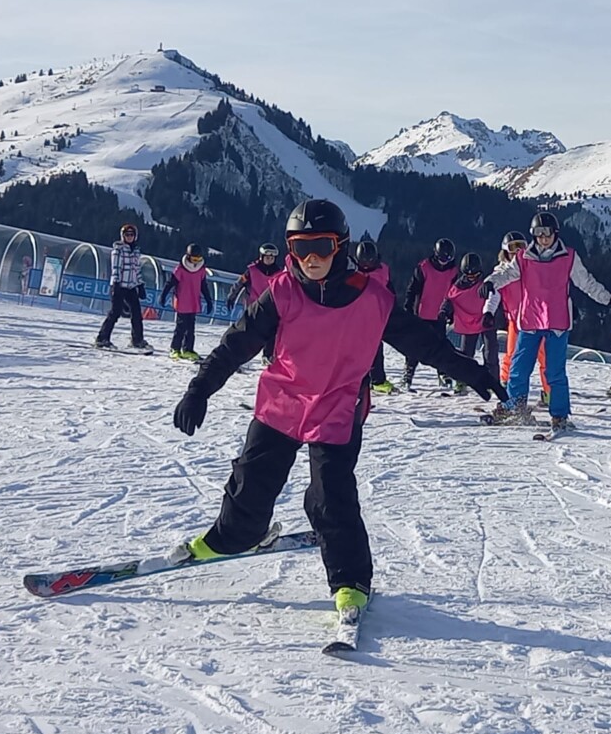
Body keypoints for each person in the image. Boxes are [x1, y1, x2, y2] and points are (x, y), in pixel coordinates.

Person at [166, 199, 506, 616]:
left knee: (331, 496)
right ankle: (234, 538)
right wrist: (200, 390)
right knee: (253, 478)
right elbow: (238, 342)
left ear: (340, 246)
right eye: (300, 247)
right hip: (283, 401)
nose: (311, 258)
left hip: (338, 407)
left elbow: (424, 342)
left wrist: (472, 372)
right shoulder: (282, 292)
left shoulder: (373, 299)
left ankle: (351, 582)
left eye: (322, 246)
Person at [483, 211, 611, 432]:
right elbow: (505, 274)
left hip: (557, 323)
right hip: (529, 322)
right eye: (538, 234)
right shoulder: (523, 258)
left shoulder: (568, 257)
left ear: (555, 233)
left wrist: (608, 300)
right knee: (518, 368)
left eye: (546, 233)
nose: (543, 238)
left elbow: (586, 282)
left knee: (555, 372)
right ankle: (513, 408)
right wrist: (490, 283)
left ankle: (559, 416)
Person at [493, 231, 550, 406]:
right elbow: (493, 293)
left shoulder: (531, 267)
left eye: (521, 247)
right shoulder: (501, 271)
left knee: (544, 356)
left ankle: (549, 392)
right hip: (515, 321)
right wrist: (488, 312)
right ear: (505, 251)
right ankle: (506, 386)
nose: (517, 251)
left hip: (536, 318)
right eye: (512, 248)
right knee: (512, 354)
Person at [402, 238, 458, 390]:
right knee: (415, 345)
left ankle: (443, 372)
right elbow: (412, 289)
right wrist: (408, 307)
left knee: (440, 345)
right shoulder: (424, 267)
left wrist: (452, 313)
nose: (444, 262)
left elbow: (455, 294)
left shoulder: (453, 271)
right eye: (442, 259)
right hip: (421, 313)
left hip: (439, 315)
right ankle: (409, 372)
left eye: (448, 259)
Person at [440, 252, 499, 393]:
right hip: (468, 324)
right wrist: (443, 312)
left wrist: (491, 315)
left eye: (475, 275)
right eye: (468, 275)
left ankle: (493, 381)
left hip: (486, 322)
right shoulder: (458, 287)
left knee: (490, 353)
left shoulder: (485, 283)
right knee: (466, 354)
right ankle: (462, 381)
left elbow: (494, 296)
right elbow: (449, 300)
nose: (472, 278)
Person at [95, 223, 151, 349]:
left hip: (131, 287)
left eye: (132, 235)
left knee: (137, 314)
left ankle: (137, 340)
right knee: (115, 312)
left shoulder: (136, 251)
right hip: (119, 285)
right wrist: (116, 284)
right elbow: (116, 267)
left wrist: (140, 285)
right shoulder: (118, 249)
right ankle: (102, 338)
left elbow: (136, 269)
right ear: (122, 236)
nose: (129, 237)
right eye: (127, 235)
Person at [225, 242, 282, 365]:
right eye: (267, 257)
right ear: (261, 257)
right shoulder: (252, 271)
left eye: (272, 258)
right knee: (247, 331)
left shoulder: (279, 273)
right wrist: (231, 297)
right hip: (253, 306)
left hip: (271, 307)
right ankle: (238, 355)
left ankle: (268, 356)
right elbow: (239, 284)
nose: (269, 260)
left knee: (272, 332)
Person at [353, 239, 396, 394]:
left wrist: (391, 309)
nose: (365, 266)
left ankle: (378, 380)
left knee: (376, 349)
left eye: (368, 262)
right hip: (355, 318)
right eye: (362, 262)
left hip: (375, 316)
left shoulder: (382, 271)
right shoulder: (352, 272)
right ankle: (357, 382)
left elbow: (390, 292)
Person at [159, 243, 215, 361]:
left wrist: (209, 300)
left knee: (191, 328)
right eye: (194, 259)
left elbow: (203, 286)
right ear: (188, 257)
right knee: (180, 327)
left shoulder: (201, 270)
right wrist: (163, 295)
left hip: (193, 303)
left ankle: (188, 349)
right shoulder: (181, 269)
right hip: (182, 302)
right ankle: (175, 348)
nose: (195, 262)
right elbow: (171, 282)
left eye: (198, 259)